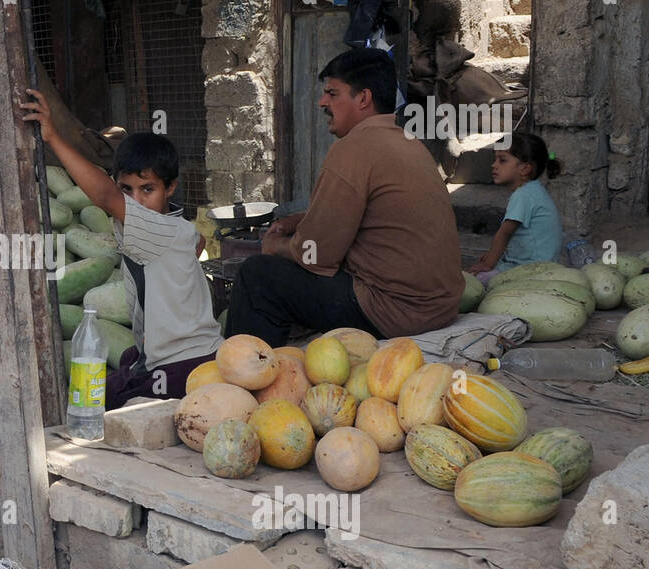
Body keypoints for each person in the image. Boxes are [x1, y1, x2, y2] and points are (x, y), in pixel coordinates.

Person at [229, 48, 463, 346]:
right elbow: (373, 215)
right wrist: (299, 221)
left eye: (332, 93)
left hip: (397, 312)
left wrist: (275, 246)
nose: (322, 102)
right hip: (440, 308)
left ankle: (247, 375)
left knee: (258, 276)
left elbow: (315, 255)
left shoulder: (352, 148)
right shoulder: (409, 143)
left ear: (363, 99)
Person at [22, 91, 222, 408]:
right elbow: (197, 241)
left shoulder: (151, 228)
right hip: (201, 354)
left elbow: (103, 195)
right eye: (126, 190)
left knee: (89, 405)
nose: (135, 201)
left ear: (170, 188)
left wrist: (53, 138)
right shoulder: (177, 227)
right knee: (124, 364)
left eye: (148, 189)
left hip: (181, 367)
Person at [467, 132, 563, 283]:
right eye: (495, 160)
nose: (494, 165)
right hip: (541, 265)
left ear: (524, 169)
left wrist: (487, 263)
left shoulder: (523, 196)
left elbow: (505, 233)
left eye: (502, 161)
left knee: (476, 279)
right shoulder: (532, 191)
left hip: (530, 270)